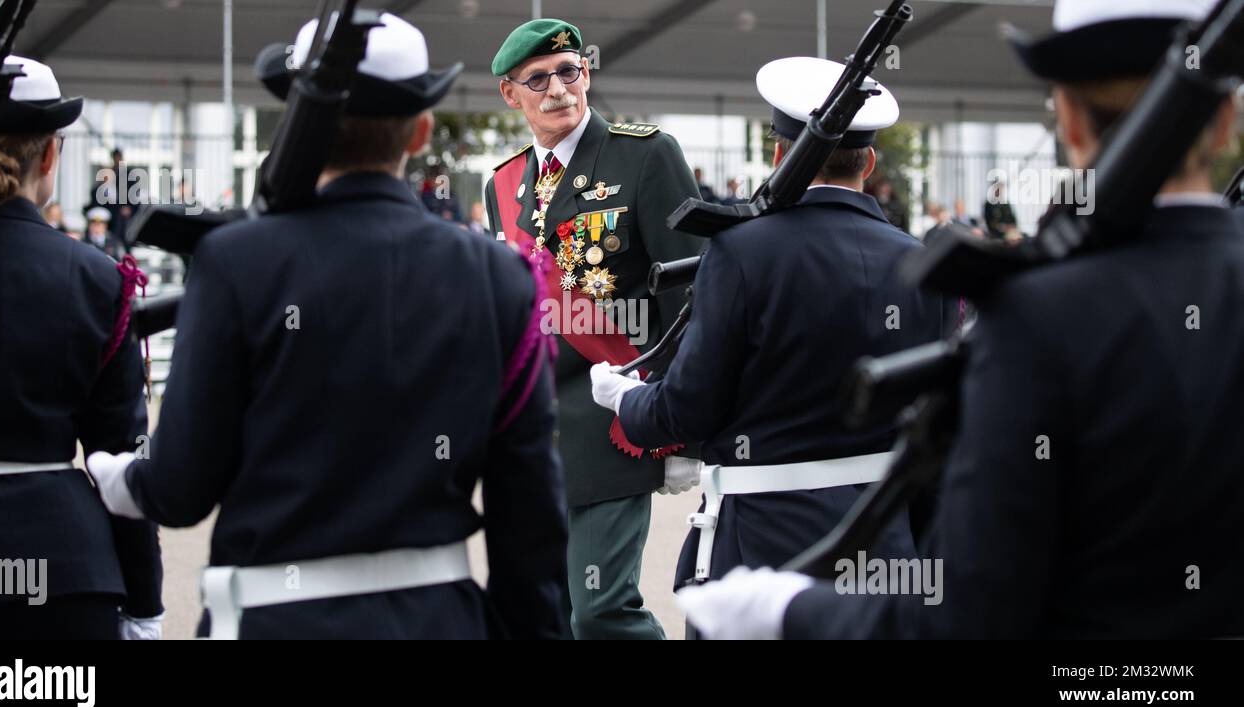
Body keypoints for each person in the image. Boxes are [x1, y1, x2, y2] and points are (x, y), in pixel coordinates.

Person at [677, 0, 1244, 640]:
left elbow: (973, 612)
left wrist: (788, 612)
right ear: (1226, 122)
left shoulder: (1039, 316)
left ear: (1069, 122)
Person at [87, 13, 567, 640]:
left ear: (297, 118)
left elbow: (182, 487)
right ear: (420, 132)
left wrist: (120, 479)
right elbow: (530, 517)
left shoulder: (237, 261)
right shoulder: (498, 277)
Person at [591, 56, 953, 604]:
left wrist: (626, 401)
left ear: (780, 153)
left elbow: (688, 408)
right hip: (885, 546)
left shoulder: (742, 252)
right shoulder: (924, 264)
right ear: (871, 162)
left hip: (762, 549)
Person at [483, 17, 705, 639]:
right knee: (546, 613)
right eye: (539, 78)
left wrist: (683, 427)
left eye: (570, 70)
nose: (558, 88)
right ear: (511, 93)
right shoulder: (503, 183)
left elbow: (688, 295)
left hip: (615, 419)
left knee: (602, 611)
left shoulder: (645, 155)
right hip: (535, 431)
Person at [0, 56, 163, 640]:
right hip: (62, 572)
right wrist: (145, 604)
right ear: (49, 156)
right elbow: (119, 459)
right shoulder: (97, 278)